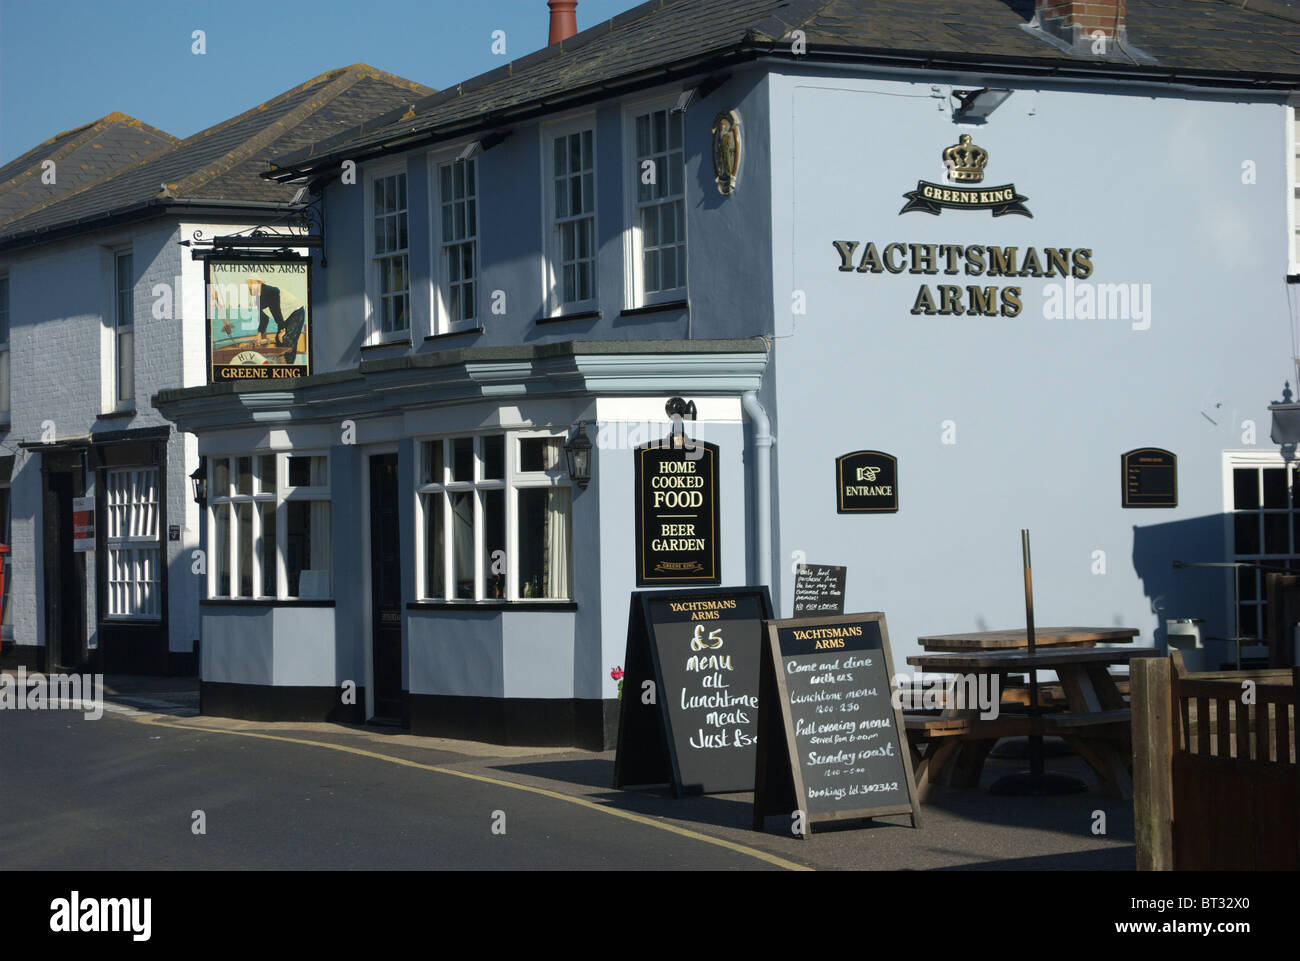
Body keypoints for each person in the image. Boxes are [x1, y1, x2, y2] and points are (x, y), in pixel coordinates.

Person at [247, 276, 306, 362]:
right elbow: (264, 316)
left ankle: (289, 367)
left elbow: (276, 311)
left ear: (260, 283)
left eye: (252, 283)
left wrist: (282, 330)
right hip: (284, 317)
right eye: (248, 283)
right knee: (279, 341)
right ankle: (281, 364)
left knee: (287, 340)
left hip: (296, 312)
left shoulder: (270, 291)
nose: (249, 286)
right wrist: (260, 332)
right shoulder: (258, 298)